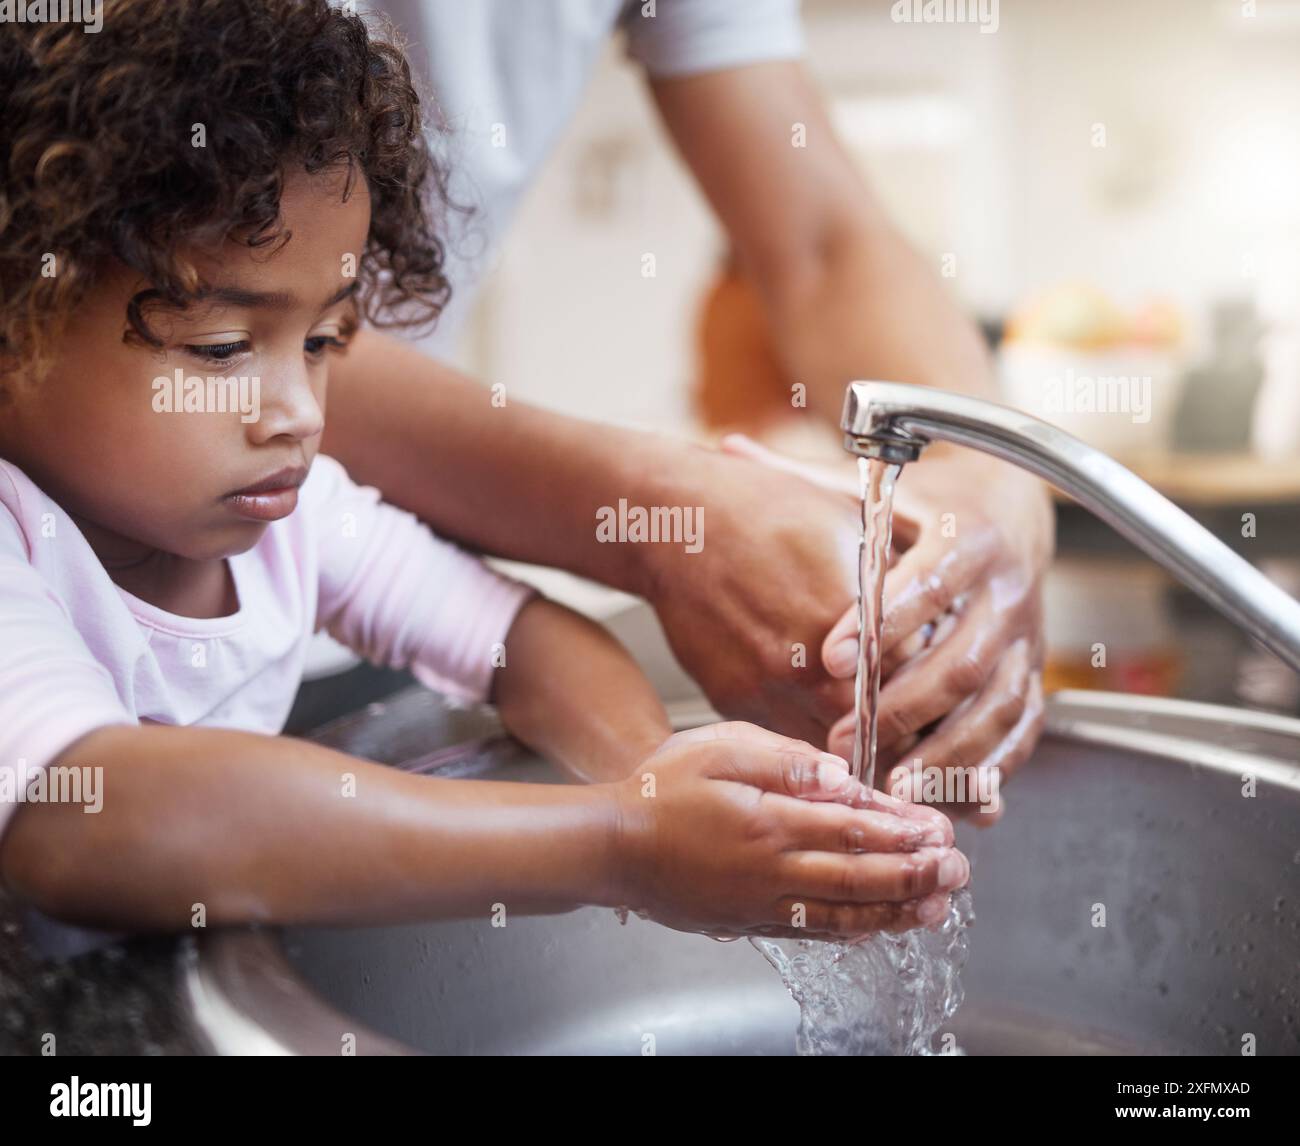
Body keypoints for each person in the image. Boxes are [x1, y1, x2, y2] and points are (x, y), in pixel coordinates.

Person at [0, 0, 969, 941]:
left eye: (325, 341)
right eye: (219, 349)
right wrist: (619, 844)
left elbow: (521, 640)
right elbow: (94, 814)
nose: (300, 412)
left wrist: (657, 778)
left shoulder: (300, 520)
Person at [326, 0, 1054, 809]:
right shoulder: (303, 501)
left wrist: (991, 470)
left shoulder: (378, 572)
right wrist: (666, 521)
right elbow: (241, 337)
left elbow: (824, 243)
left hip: (372, 601)